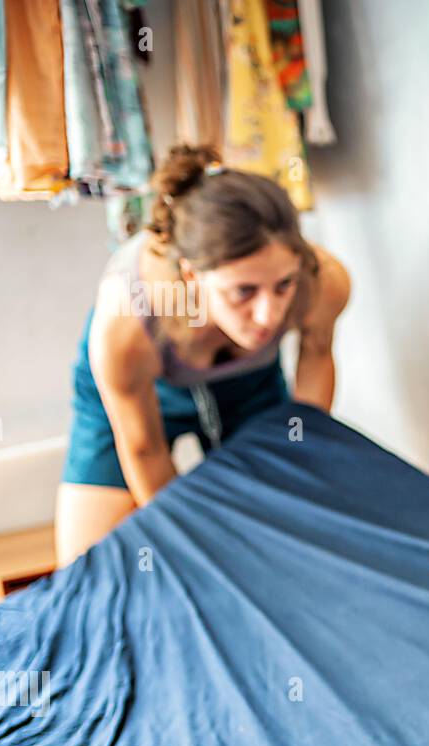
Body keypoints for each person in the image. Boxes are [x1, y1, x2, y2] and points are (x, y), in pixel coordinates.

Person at [55, 144, 351, 567]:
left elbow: (313, 378)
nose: (269, 315)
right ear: (193, 275)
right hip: (140, 394)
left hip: (247, 384)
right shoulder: (130, 321)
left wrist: (296, 464)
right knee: (86, 572)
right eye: (243, 291)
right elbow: (144, 450)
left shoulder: (324, 284)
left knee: (283, 540)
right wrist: (194, 543)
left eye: (282, 285)